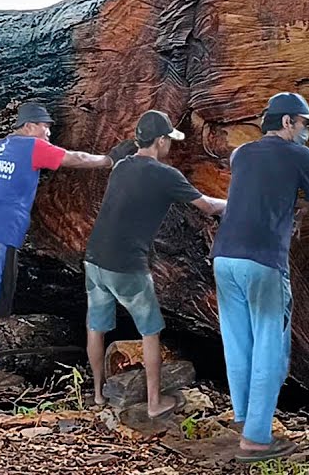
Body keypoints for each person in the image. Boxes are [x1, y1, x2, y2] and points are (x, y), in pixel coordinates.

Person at [213, 92, 309, 463]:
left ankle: (243, 419)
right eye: (304, 125)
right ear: (287, 122)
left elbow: (261, 196)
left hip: (224, 258)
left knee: (239, 342)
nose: (307, 133)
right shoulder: (300, 155)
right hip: (263, 261)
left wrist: (294, 208)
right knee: (272, 347)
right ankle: (256, 440)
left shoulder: (242, 156)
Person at [0, 102, 118, 388]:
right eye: (44, 126)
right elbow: (74, 158)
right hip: (0, 231)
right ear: (28, 126)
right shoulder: (31, 147)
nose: (49, 131)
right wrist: (109, 160)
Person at [83, 110, 226, 417]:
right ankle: (153, 403)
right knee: (150, 331)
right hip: (126, 264)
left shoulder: (122, 166)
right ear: (160, 141)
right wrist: (238, 204)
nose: (170, 146)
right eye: (169, 140)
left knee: (95, 326)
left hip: (93, 259)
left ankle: (96, 396)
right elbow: (207, 206)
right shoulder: (165, 175)